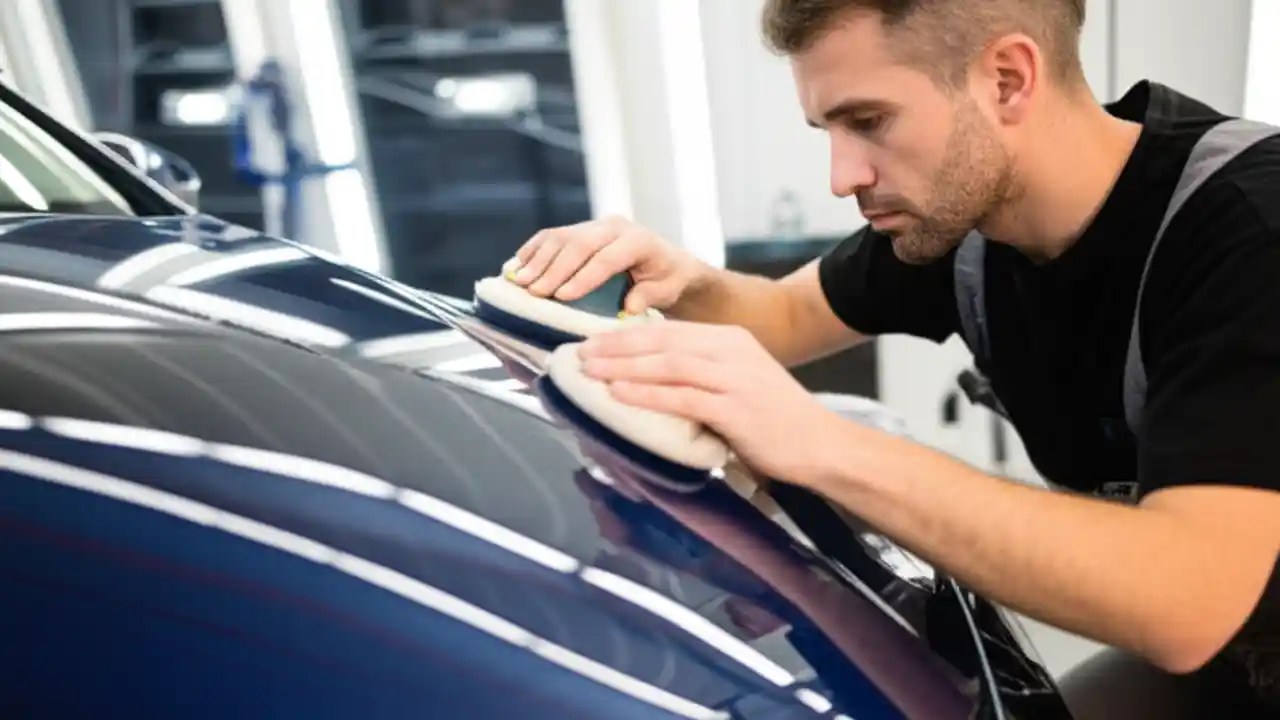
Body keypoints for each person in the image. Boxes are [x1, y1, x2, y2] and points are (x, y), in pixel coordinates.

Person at [507, 0, 1280, 715]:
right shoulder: (969, 219)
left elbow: (1188, 600)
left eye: (869, 121)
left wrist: (819, 443)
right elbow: (779, 316)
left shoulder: (1250, 226)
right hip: (1225, 659)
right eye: (831, 134)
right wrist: (678, 278)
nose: (843, 177)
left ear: (1007, 79)